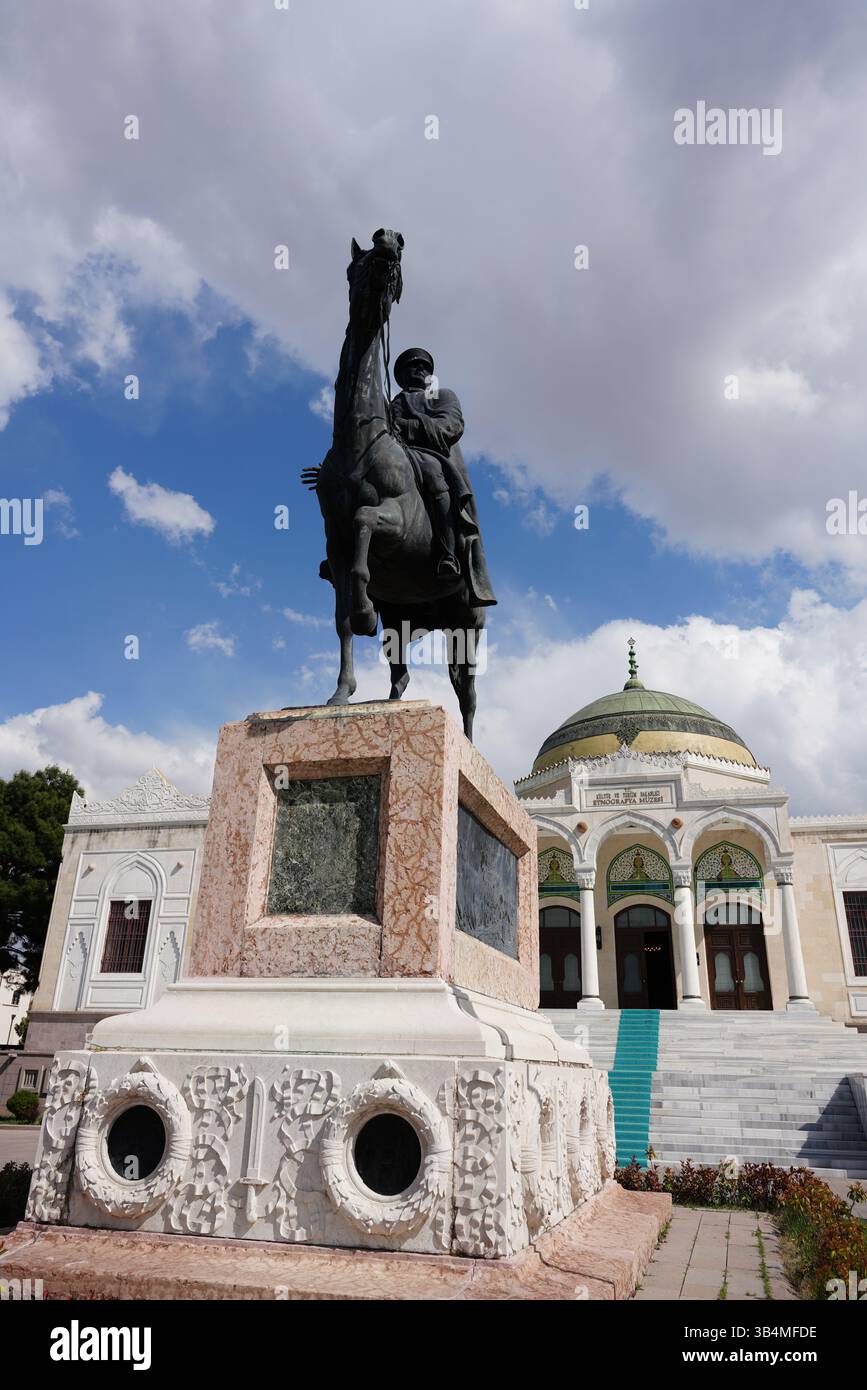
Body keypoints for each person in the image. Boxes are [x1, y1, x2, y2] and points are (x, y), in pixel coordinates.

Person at [390, 348, 496, 604]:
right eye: (412, 366)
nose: (418, 370)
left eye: (423, 367)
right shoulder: (391, 404)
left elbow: (449, 426)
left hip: (433, 456)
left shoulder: (443, 396)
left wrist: (405, 427)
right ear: (401, 376)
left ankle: (448, 553)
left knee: (435, 479)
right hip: (395, 457)